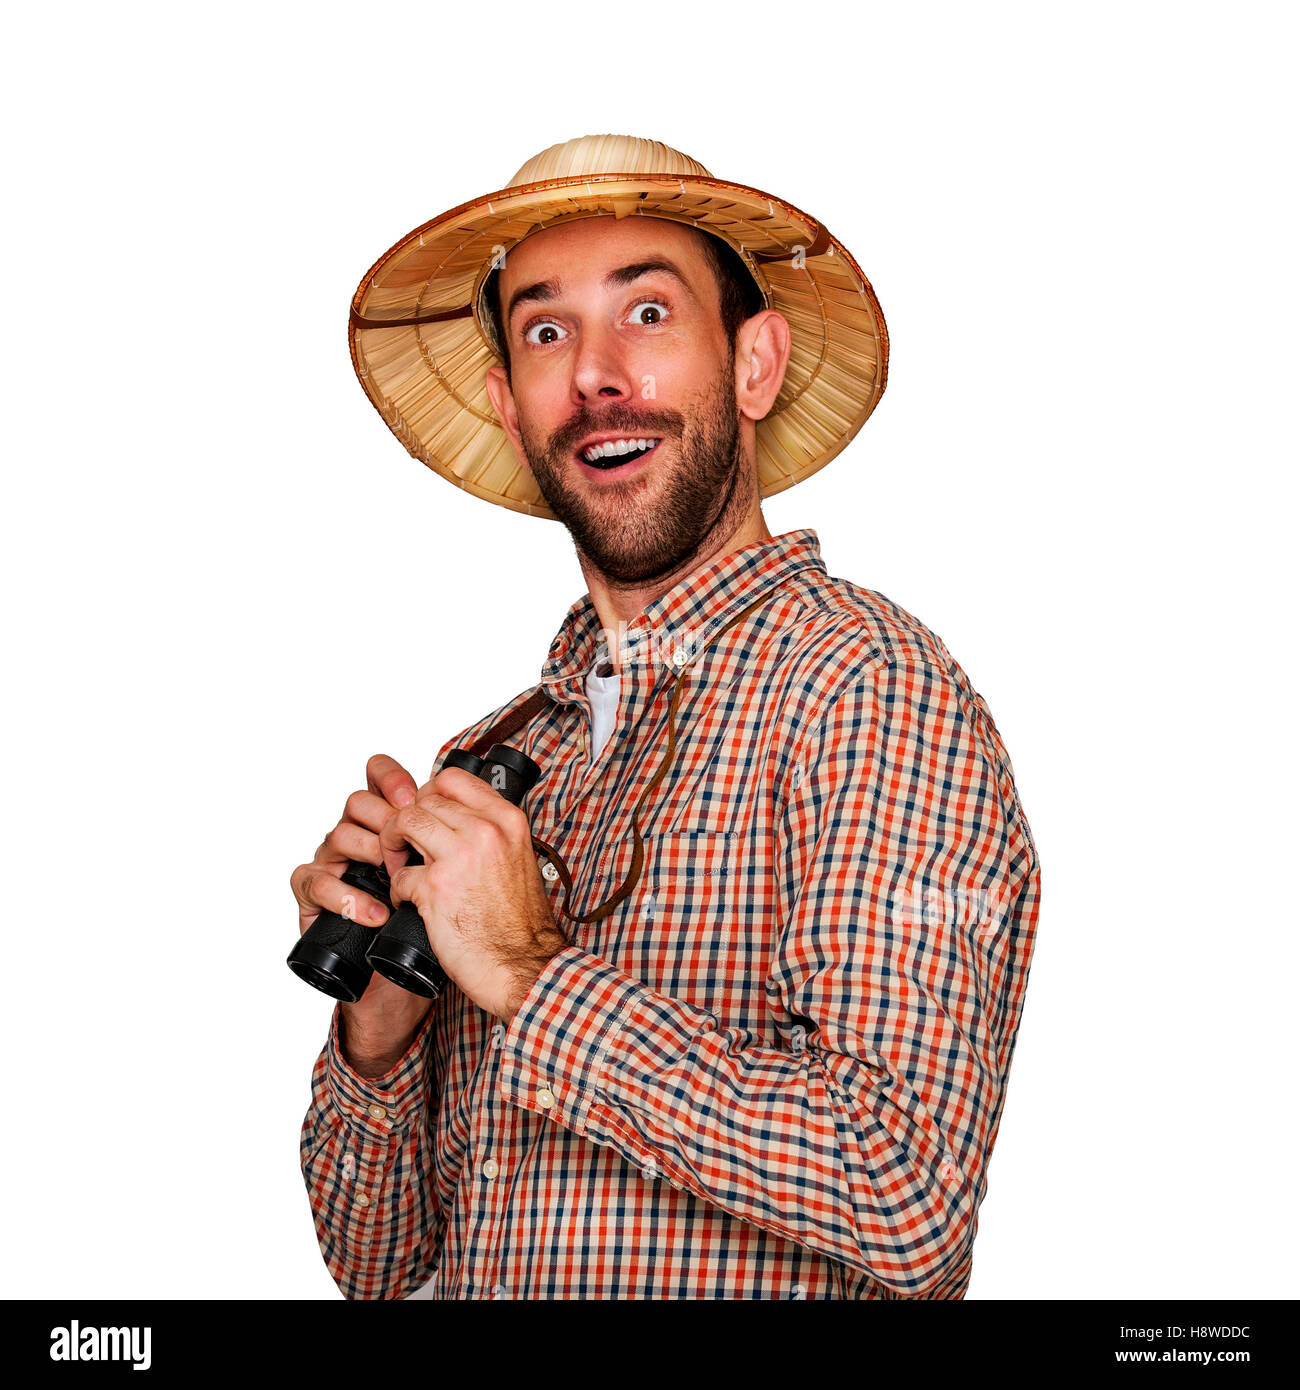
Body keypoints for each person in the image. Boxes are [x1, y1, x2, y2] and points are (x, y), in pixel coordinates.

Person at [291, 135, 1041, 1300]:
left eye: (645, 312)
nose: (595, 373)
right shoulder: (493, 762)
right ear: (507, 400)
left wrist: (533, 976)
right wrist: (379, 1030)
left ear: (754, 365)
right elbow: (380, 1267)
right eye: (545, 332)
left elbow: (907, 1198)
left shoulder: (866, 686)